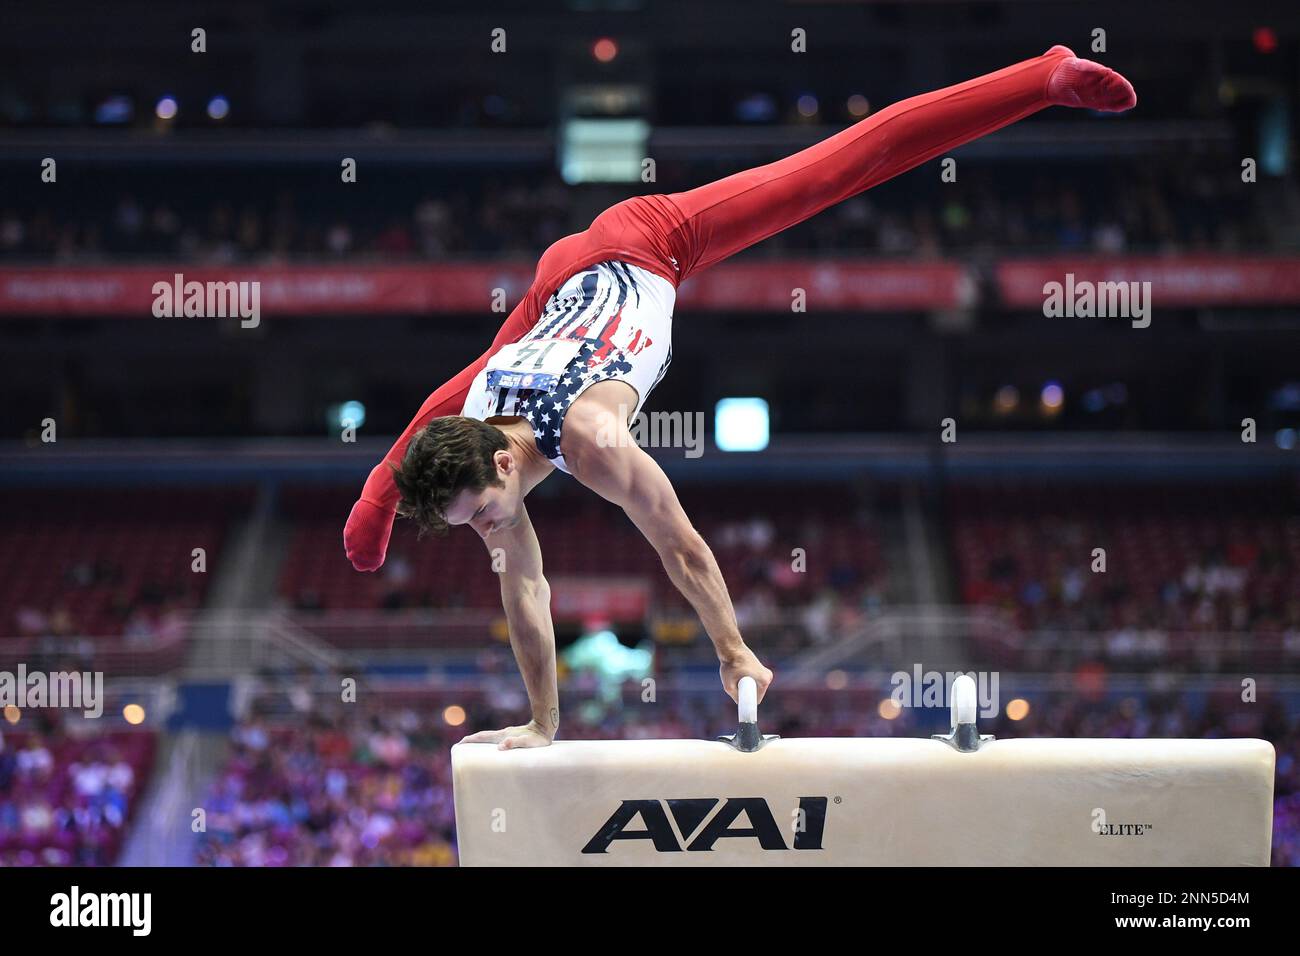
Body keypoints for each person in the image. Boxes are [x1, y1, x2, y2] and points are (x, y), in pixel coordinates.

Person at [343, 45, 1136, 749]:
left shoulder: (594, 440)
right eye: (474, 522)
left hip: (641, 243)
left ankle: (1043, 76)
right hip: (549, 296)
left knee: (835, 168)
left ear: (503, 457)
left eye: (482, 510)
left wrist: (732, 650)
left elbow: (681, 547)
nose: (488, 525)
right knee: (453, 394)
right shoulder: (480, 446)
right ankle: (380, 495)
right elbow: (523, 589)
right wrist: (544, 724)